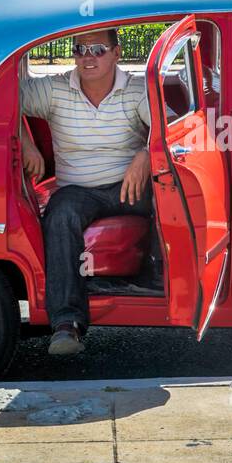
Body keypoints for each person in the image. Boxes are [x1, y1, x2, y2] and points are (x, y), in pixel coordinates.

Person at [17, 28, 154, 356]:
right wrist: (26, 145)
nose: (88, 58)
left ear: (117, 53)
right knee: (61, 213)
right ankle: (67, 325)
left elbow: (172, 129)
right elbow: (3, 99)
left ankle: (163, 287)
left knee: (173, 196)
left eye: (98, 50)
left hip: (128, 187)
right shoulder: (56, 89)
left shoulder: (137, 90)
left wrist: (145, 155)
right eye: (80, 50)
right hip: (78, 189)